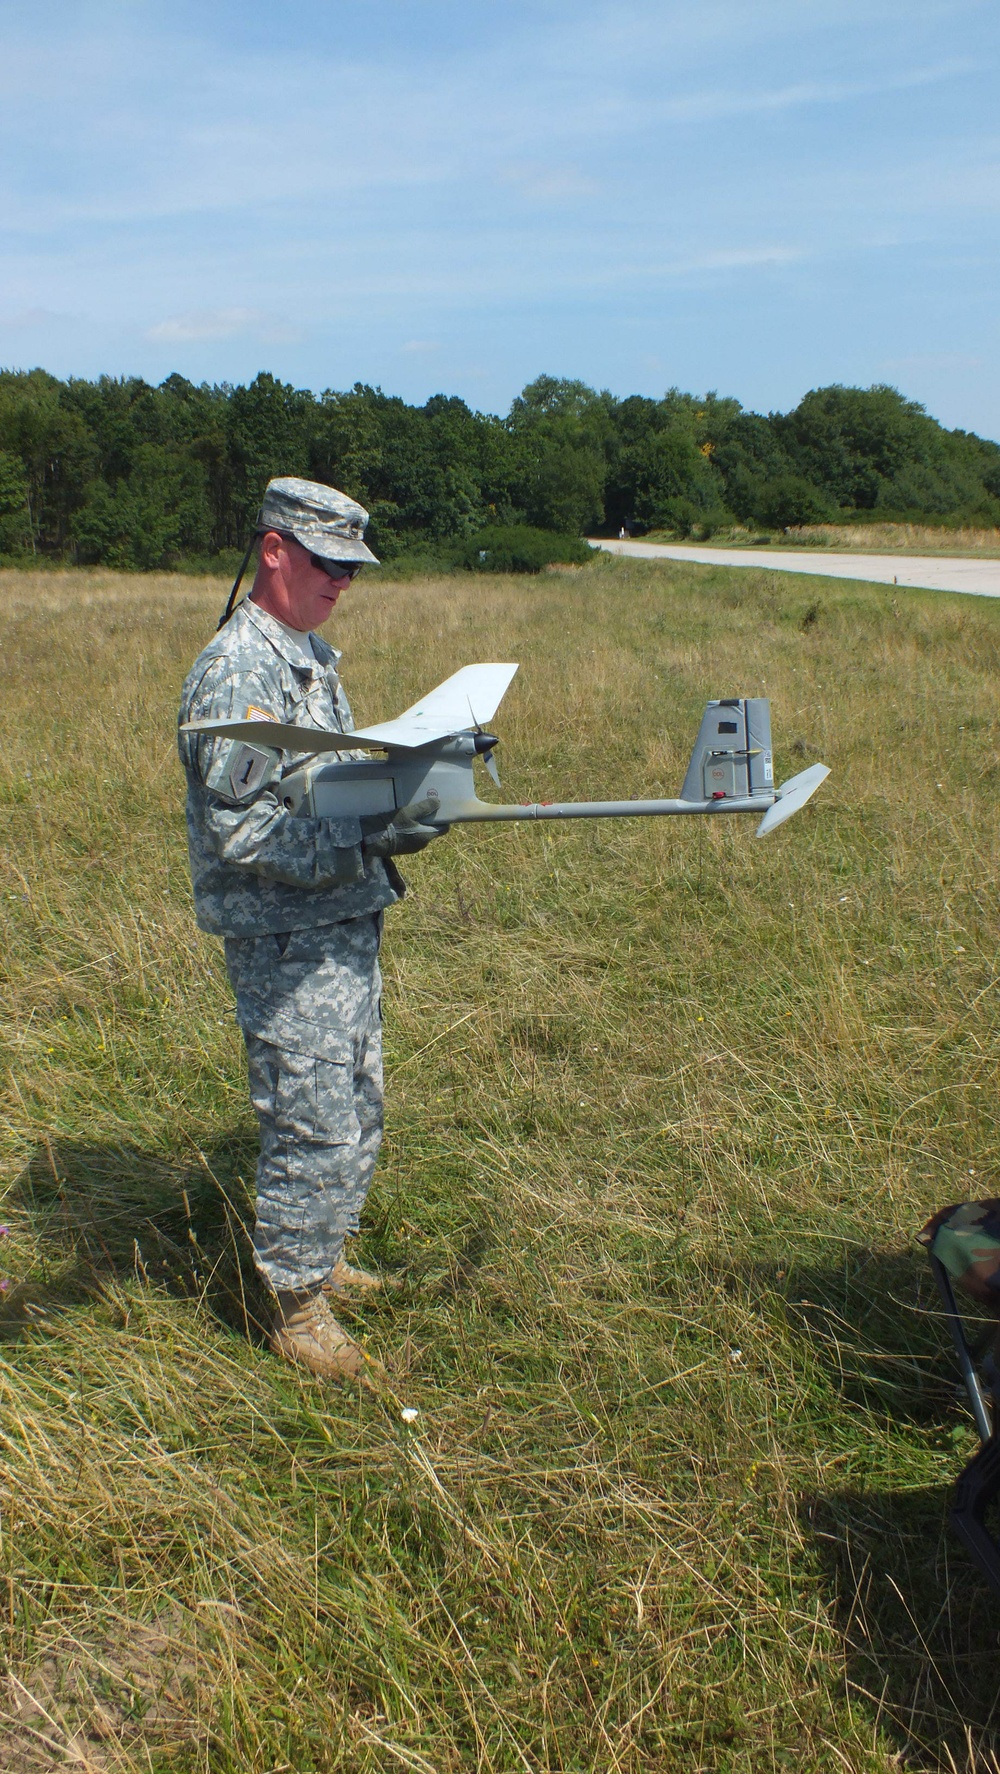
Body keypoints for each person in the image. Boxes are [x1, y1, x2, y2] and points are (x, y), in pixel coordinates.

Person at [177, 477, 448, 1382]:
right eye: (329, 562)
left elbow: (317, 786)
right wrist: (369, 834)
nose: (343, 581)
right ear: (274, 549)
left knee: (356, 1101)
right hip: (287, 939)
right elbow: (246, 828)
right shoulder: (242, 670)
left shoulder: (305, 654)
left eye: (354, 568)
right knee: (312, 1114)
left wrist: (402, 791)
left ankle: (323, 1254)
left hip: (336, 923)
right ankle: (295, 1306)